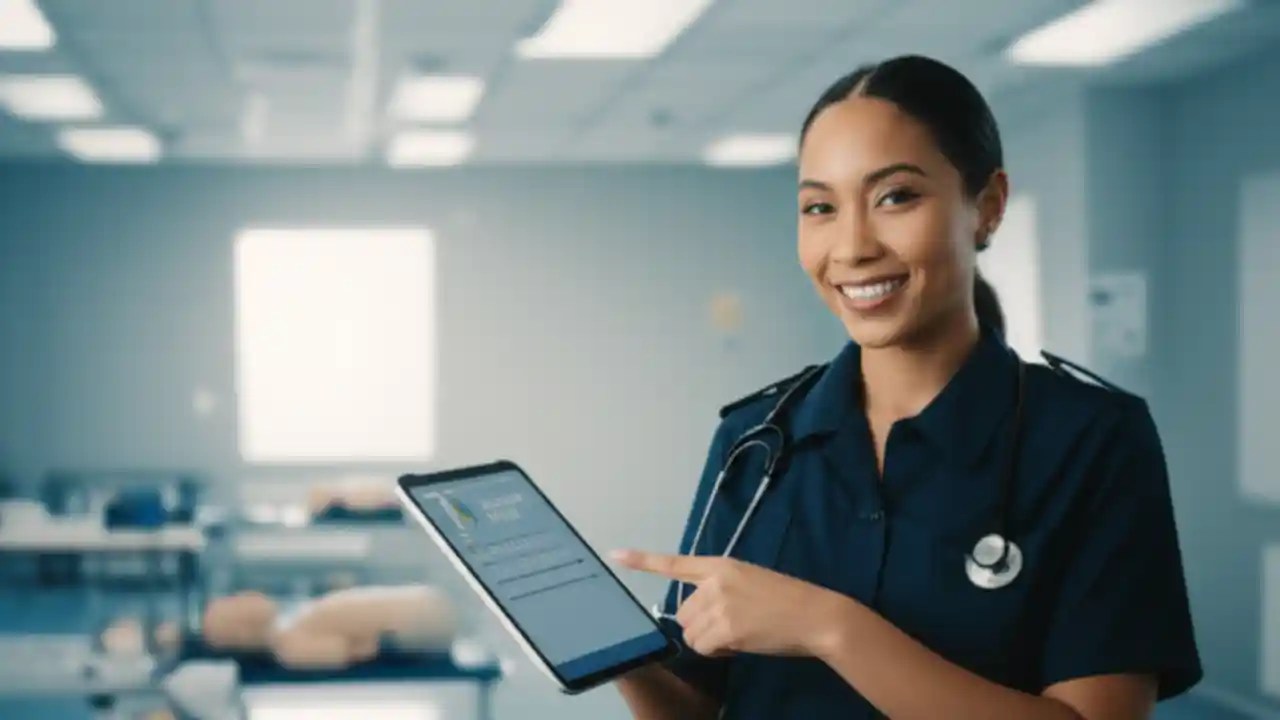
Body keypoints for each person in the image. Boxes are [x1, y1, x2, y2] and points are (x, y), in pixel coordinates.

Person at [610, 54, 1201, 719]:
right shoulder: (754, 441)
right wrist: (613, 653)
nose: (852, 246)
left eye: (895, 197)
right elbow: (695, 707)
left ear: (988, 207)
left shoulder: (1091, 439)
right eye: (819, 207)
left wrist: (827, 628)